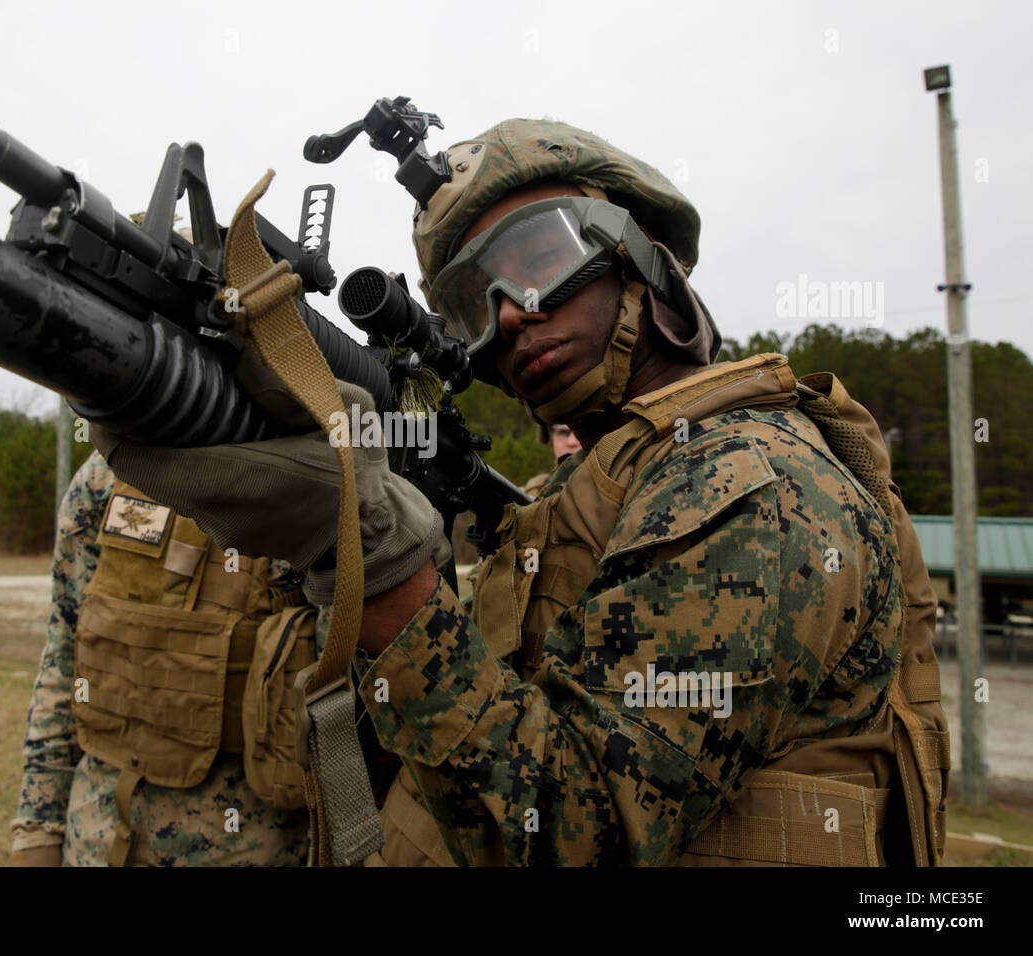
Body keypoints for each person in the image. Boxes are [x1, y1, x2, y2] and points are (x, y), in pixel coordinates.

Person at [93, 119, 948, 866]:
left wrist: (372, 556)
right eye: (470, 302)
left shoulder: (749, 483)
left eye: (537, 260)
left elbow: (568, 834)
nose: (506, 314)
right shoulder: (608, 483)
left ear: (637, 253)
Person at [9, 450, 315, 866]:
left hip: (257, 848)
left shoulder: (309, 485)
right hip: (96, 842)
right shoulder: (106, 476)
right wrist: (37, 832)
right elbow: (64, 664)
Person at [523, 425, 582, 497]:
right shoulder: (534, 490)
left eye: (584, 431)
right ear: (551, 441)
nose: (571, 442)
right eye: (563, 433)